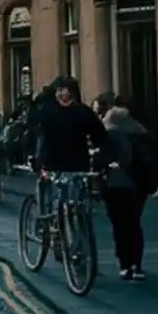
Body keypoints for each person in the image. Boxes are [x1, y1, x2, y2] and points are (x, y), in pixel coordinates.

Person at [101, 94, 157, 280]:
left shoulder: (110, 133)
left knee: (119, 226)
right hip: (138, 185)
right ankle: (136, 264)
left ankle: (125, 264)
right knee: (134, 224)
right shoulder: (141, 132)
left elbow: (104, 159)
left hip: (115, 185)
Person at [35, 76, 110, 215]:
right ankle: (50, 228)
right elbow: (39, 136)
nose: (65, 94)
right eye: (61, 90)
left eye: (68, 91)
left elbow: (99, 134)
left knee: (77, 204)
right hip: (53, 164)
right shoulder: (47, 112)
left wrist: (103, 153)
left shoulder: (82, 112)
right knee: (54, 203)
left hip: (77, 164)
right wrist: (38, 159)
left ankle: (76, 227)